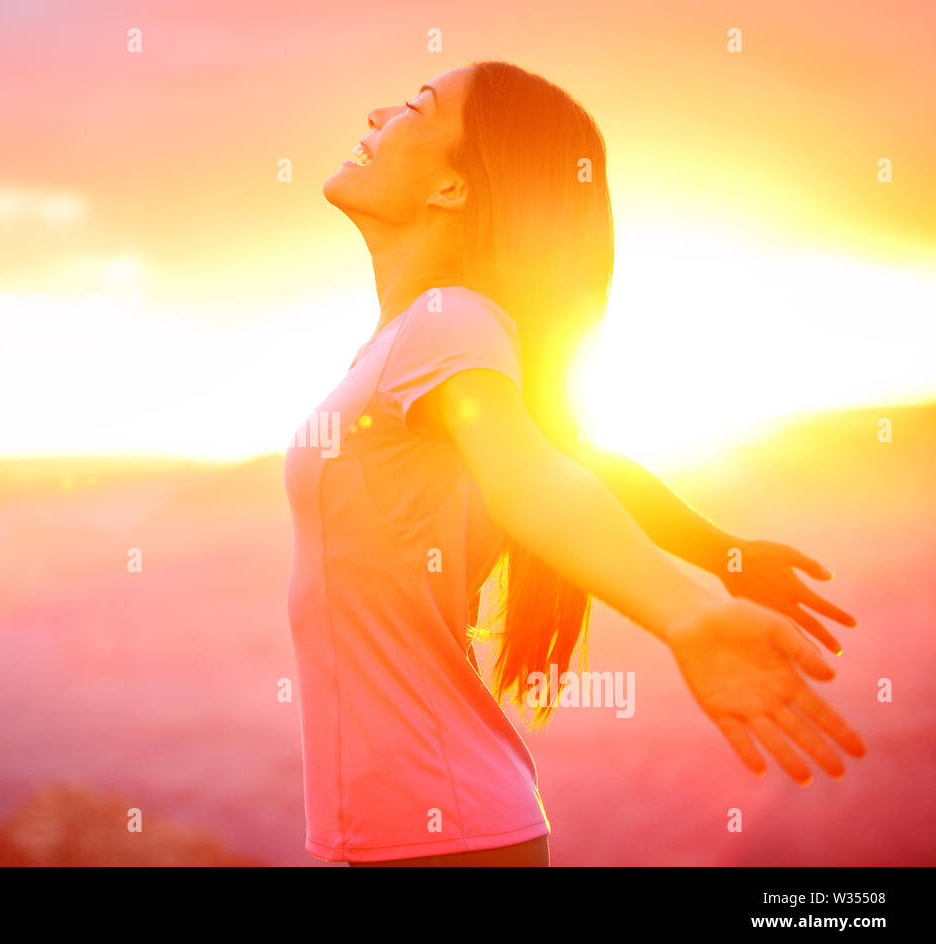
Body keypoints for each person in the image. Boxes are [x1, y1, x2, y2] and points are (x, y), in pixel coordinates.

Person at [282, 61, 865, 867]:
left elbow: (534, 480)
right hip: (404, 831)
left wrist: (683, 610)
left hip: (443, 834)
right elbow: (573, 457)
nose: (381, 108)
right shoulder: (414, 342)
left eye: (418, 105)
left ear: (453, 188)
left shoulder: (447, 323)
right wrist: (720, 552)